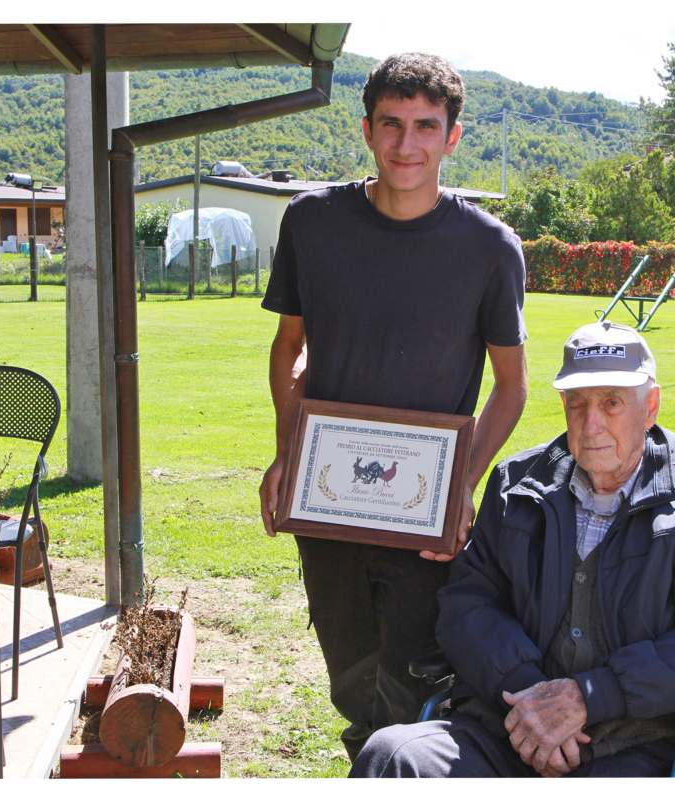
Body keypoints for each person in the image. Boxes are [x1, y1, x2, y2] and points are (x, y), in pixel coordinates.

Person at [350, 321, 675, 779]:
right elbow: (469, 603)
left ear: (650, 406)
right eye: (578, 404)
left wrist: (590, 696)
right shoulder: (517, 485)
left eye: (612, 403)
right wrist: (531, 699)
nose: (592, 426)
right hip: (508, 723)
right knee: (392, 756)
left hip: (638, 744)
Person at [258, 53, 529, 760]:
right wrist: (288, 454)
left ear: (452, 138)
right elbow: (288, 350)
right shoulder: (312, 222)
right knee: (349, 675)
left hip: (421, 516)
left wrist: (461, 485)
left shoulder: (490, 248)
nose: (406, 145)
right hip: (328, 506)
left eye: (425, 127)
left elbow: (512, 385)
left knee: (414, 682)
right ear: (367, 129)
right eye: (391, 124)